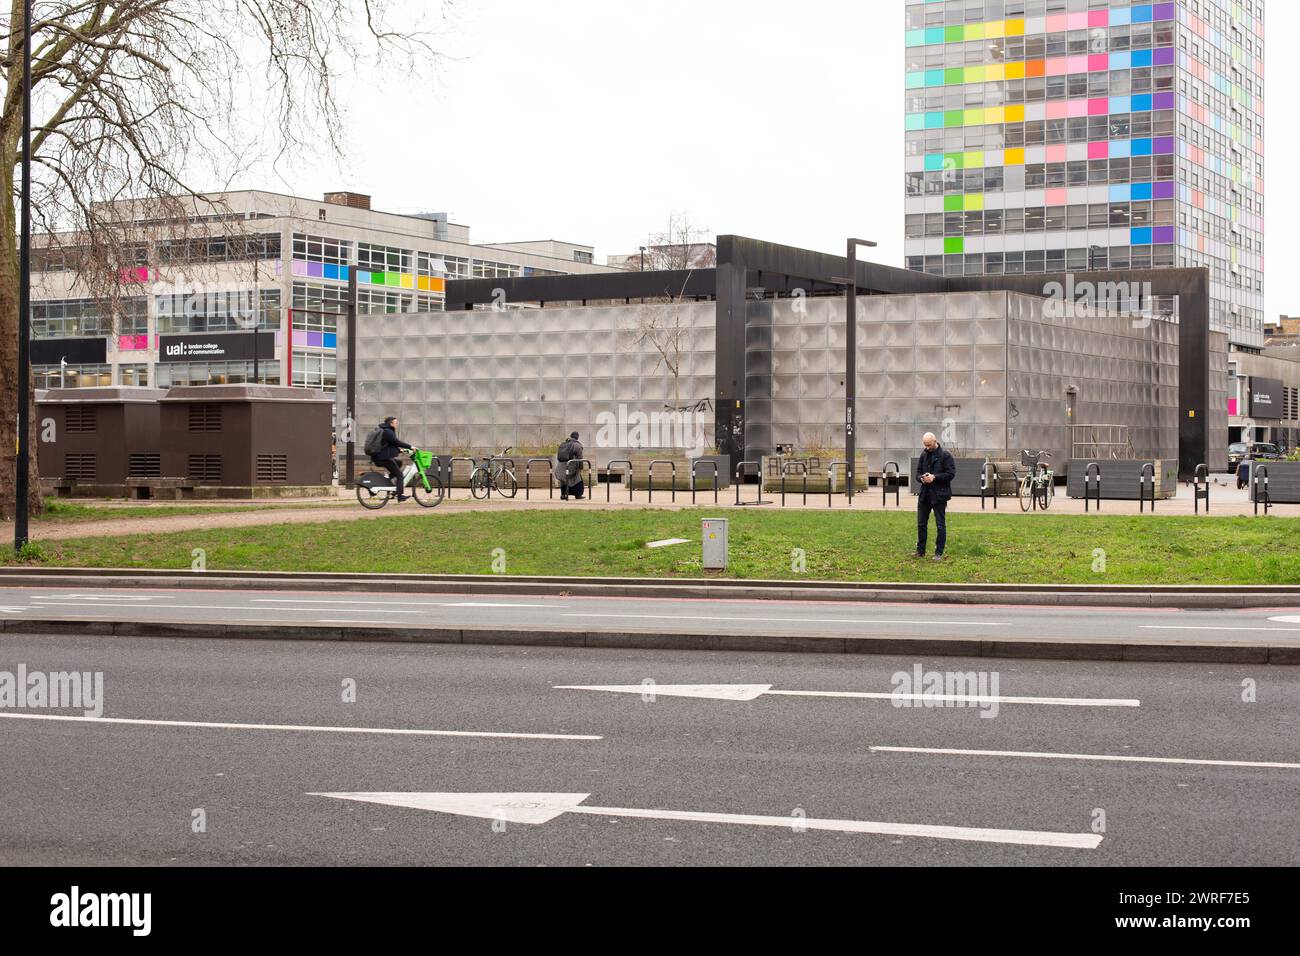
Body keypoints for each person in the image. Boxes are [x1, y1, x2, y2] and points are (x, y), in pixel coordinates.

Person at [915, 431, 955, 561]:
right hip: (925, 495)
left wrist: (935, 477)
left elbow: (950, 474)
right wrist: (922, 478)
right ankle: (920, 551)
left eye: (929, 445)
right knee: (921, 524)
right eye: (925, 445)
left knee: (940, 525)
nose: (927, 448)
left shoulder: (945, 455)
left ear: (935, 441)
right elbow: (918, 472)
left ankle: (939, 552)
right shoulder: (924, 454)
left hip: (939, 495)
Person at [371, 416, 413, 502]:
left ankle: (391, 482)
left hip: (381, 457)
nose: (397, 424)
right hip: (383, 458)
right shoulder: (388, 432)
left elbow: (389, 445)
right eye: (396, 423)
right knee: (399, 475)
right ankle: (400, 495)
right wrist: (410, 447)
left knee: (399, 463)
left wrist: (400, 450)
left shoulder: (385, 430)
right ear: (391, 423)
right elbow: (396, 442)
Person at [555, 431, 585, 500]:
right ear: (577, 437)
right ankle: (578, 495)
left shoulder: (563, 444)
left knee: (563, 480)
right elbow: (580, 458)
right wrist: (581, 467)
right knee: (577, 479)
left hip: (560, 466)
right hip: (571, 466)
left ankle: (563, 495)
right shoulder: (578, 445)